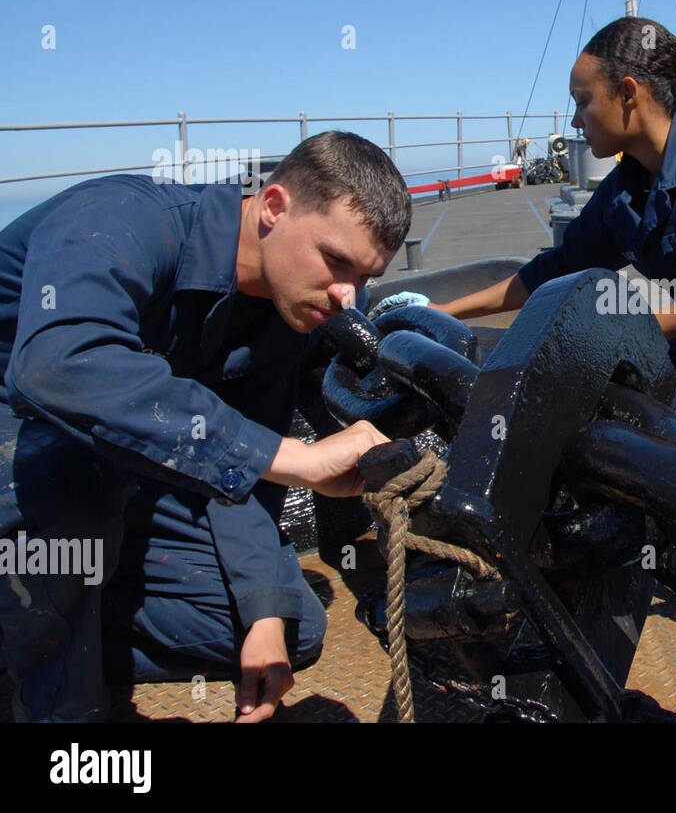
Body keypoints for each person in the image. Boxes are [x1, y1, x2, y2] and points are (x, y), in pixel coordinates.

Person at [0, 130, 410, 721]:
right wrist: (295, 458)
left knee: (287, 628)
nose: (349, 296)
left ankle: (42, 621)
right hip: (30, 445)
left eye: (366, 277)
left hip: (116, 470)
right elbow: (59, 366)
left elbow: (236, 470)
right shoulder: (119, 220)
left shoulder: (282, 311)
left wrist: (263, 614)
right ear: (273, 207)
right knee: (74, 484)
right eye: (336, 260)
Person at [377, 17, 676, 494]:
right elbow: (552, 271)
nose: (576, 121)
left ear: (627, 93)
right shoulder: (626, 188)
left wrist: (630, 332)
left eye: (582, 102)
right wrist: (442, 311)